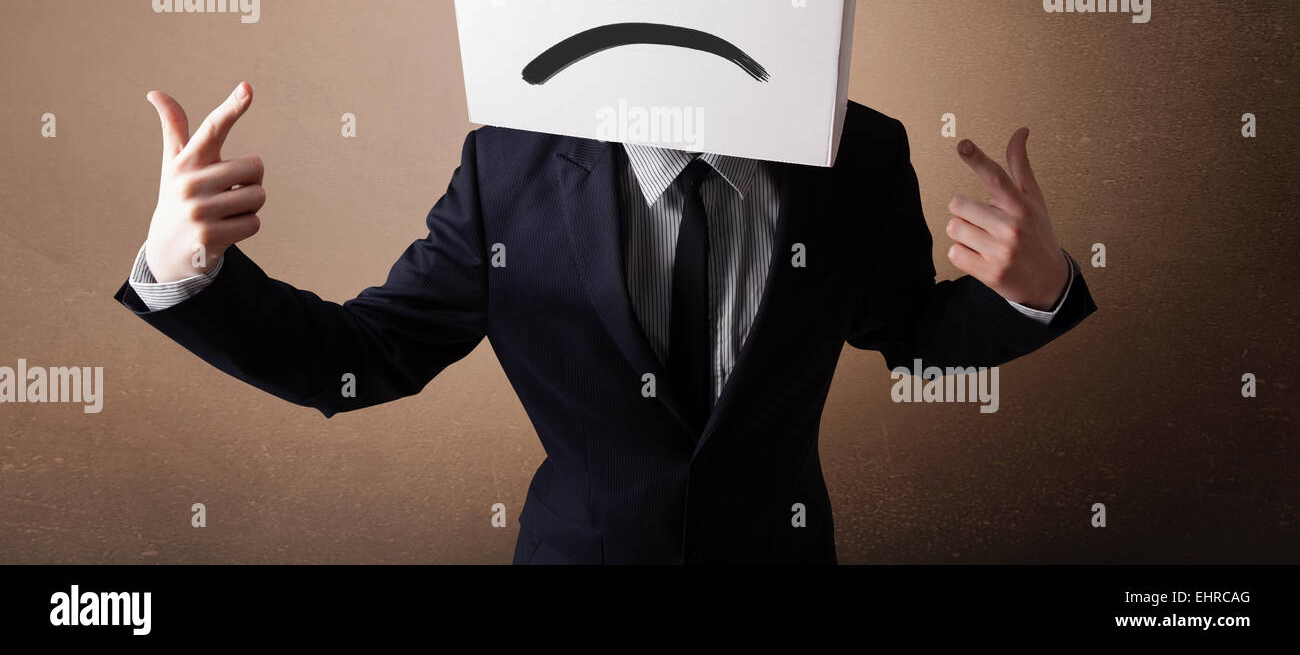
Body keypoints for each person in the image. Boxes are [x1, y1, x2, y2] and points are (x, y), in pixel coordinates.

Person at [115, 80, 1096, 564]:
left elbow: (911, 335)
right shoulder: (511, 165)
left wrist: (1031, 289)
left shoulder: (860, 154)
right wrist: (181, 268)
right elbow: (366, 356)